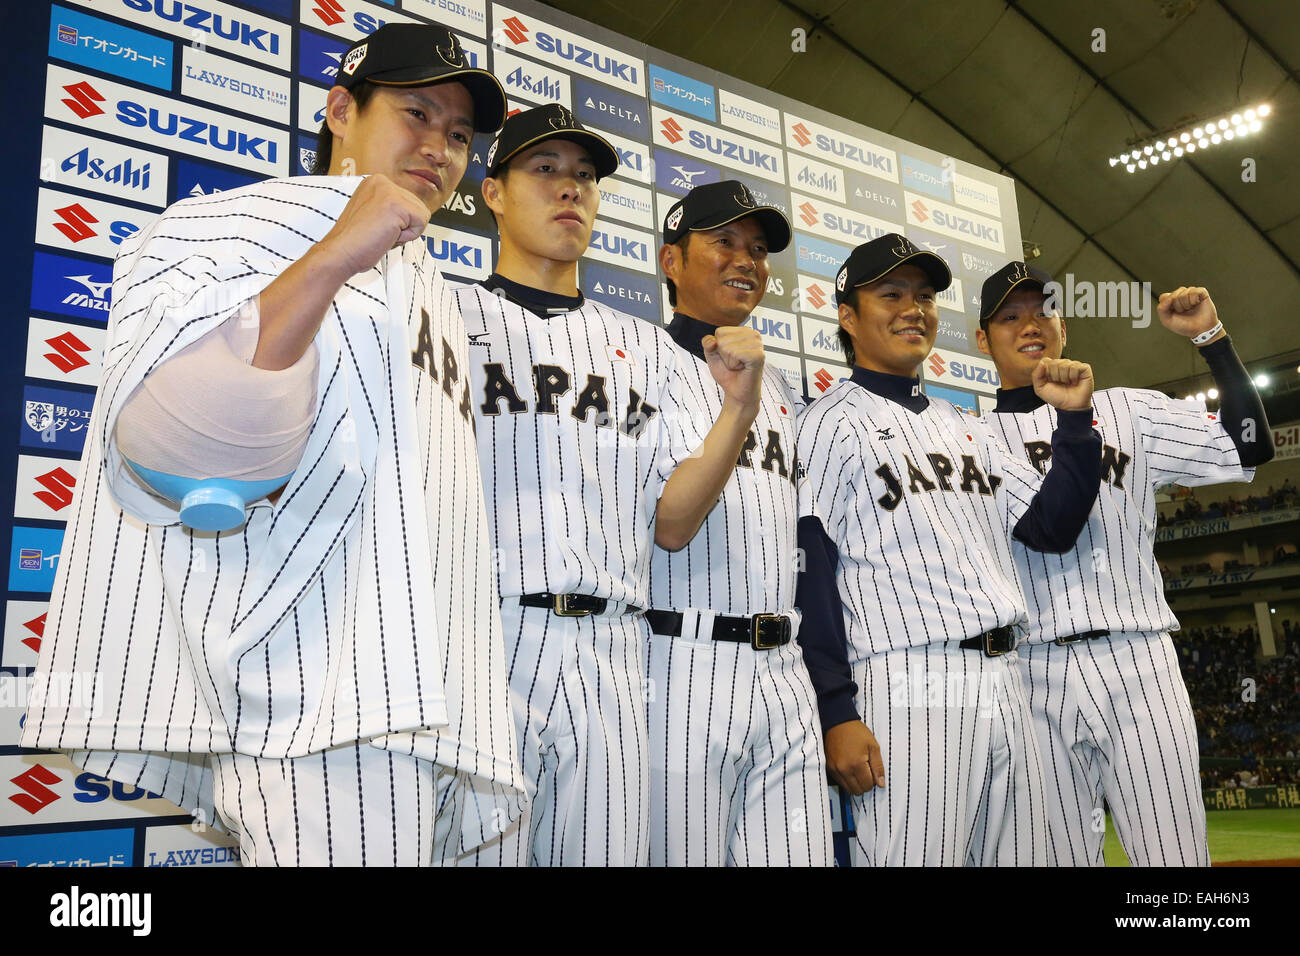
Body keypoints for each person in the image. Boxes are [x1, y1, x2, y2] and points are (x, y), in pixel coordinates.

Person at [21, 23, 526, 866]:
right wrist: (333, 257)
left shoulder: (433, 285)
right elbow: (179, 452)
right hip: (310, 701)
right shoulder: (243, 218)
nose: (441, 147)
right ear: (340, 110)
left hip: (431, 700)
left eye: (461, 134)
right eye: (417, 113)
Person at [454, 106, 768, 866]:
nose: (571, 189)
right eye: (546, 170)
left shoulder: (644, 347)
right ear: (491, 193)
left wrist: (738, 408)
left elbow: (673, 524)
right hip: (485, 636)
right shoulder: (444, 311)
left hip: (613, 648)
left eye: (585, 176)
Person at [796, 233, 1102, 866]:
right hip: (912, 676)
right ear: (849, 317)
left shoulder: (965, 425)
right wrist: (835, 709)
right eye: (892, 294)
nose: (915, 307)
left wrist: (1073, 422)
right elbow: (812, 571)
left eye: (926, 295)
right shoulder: (825, 423)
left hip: (1005, 675)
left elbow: (1052, 529)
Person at [975, 262, 1273, 866]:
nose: (1030, 324)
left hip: (1139, 657)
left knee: (1176, 859)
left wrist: (1210, 339)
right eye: (1009, 316)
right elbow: (1045, 535)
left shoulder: (1129, 410)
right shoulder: (966, 439)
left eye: (1043, 310)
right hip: (1031, 670)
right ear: (982, 339)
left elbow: (1250, 445)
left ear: (1064, 325)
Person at [644, 180, 832, 866]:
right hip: (682, 661)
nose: (746, 259)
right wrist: (736, 410)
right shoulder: (641, 362)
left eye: (757, 248)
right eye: (724, 241)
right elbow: (671, 525)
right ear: (672, 262)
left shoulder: (781, 389)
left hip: (784, 668)